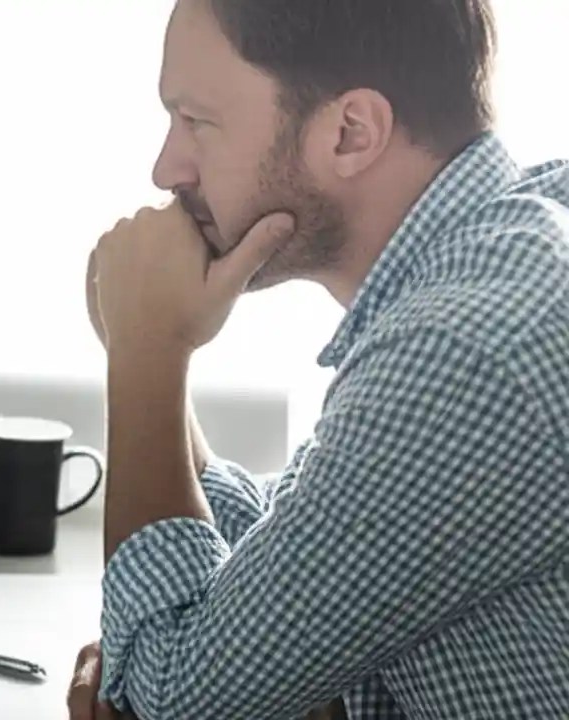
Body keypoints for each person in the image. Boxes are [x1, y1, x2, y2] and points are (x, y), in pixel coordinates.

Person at [65, 0, 569, 718]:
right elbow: (316, 557)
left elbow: (171, 700)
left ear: (349, 133)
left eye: (197, 121)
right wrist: (145, 344)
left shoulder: (466, 349)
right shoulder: (505, 255)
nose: (165, 168)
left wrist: (148, 352)